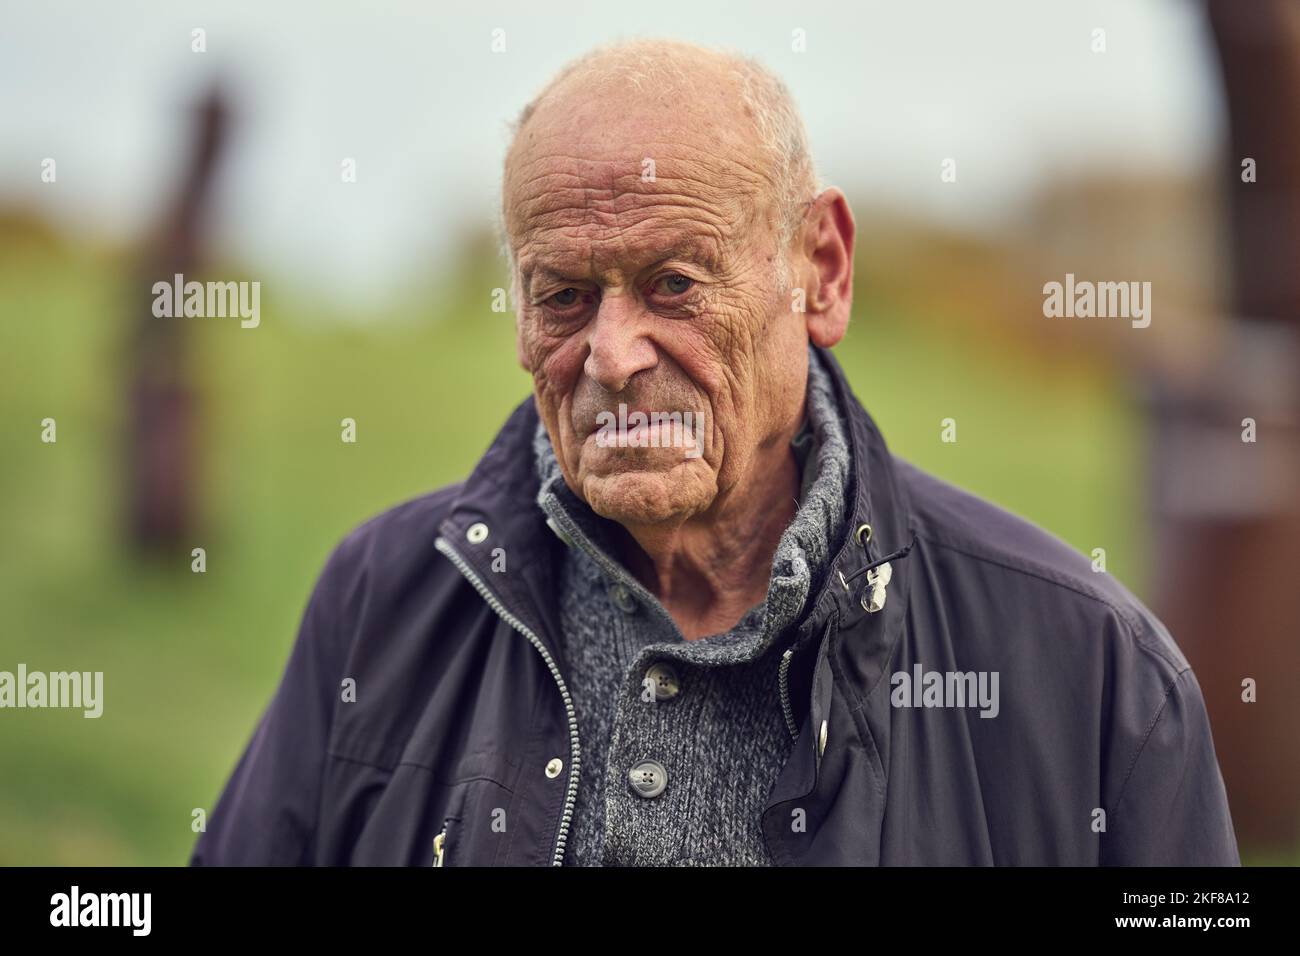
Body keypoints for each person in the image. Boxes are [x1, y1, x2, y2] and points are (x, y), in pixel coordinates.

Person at [191, 38, 1239, 866]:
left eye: (674, 285)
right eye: (561, 295)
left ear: (819, 272)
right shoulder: (381, 596)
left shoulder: (1091, 671)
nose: (608, 354)